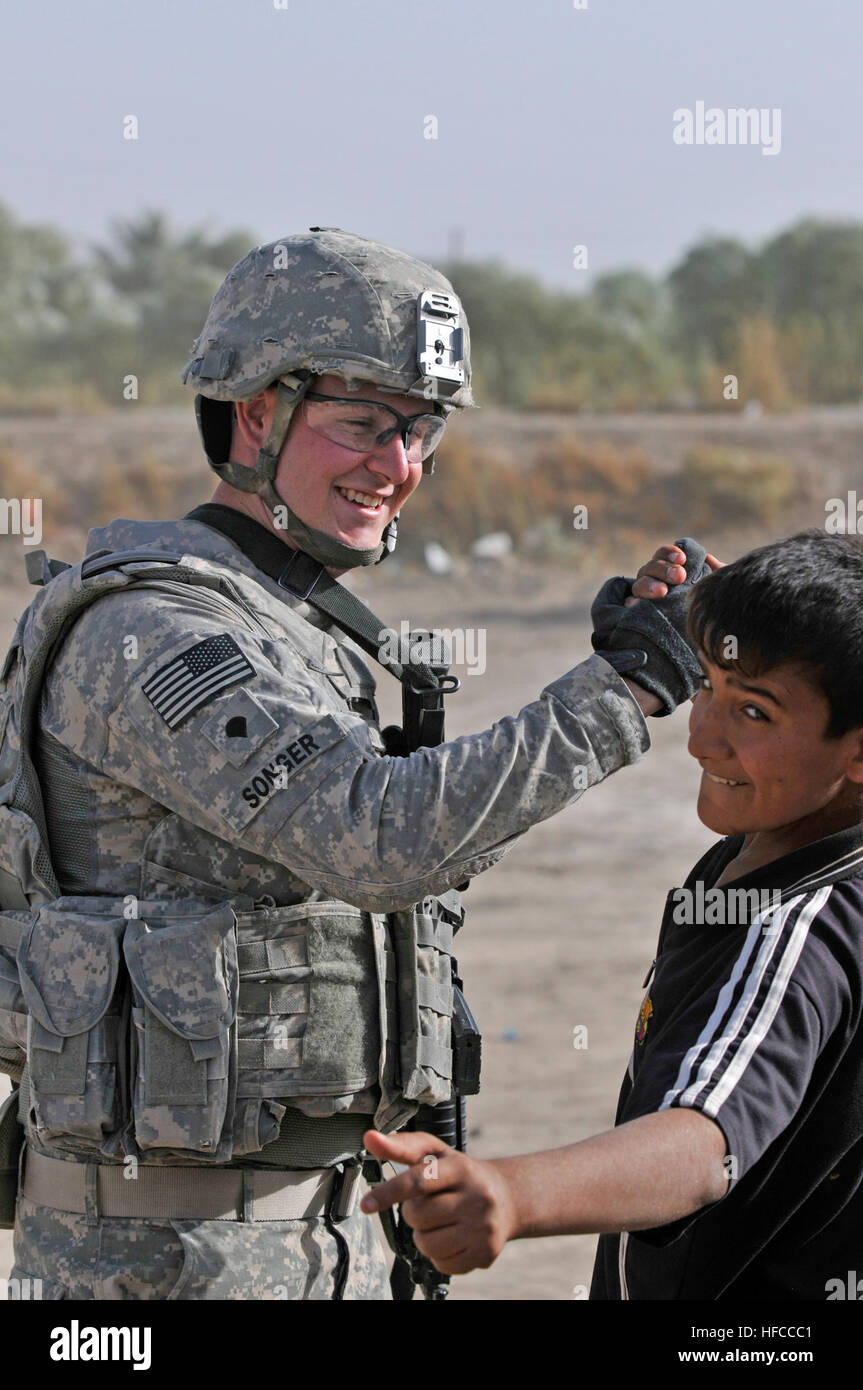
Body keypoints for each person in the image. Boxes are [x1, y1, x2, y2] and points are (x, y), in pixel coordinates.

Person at [0, 227, 709, 1302]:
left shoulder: (284, 622)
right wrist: (625, 687)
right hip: (166, 1268)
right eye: (363, 425)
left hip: (318, 1242)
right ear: (255, 414)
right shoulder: (151, 629)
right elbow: (377, 836)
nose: (399, 466)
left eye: (420, 431)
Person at [363, 529, 863, 1301]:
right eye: (706, 685)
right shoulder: (780, 856)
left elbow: (703, 1141)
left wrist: (514, 1193)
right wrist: (723, 609)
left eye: (753, 712)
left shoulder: (792, 932)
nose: (701, 737)